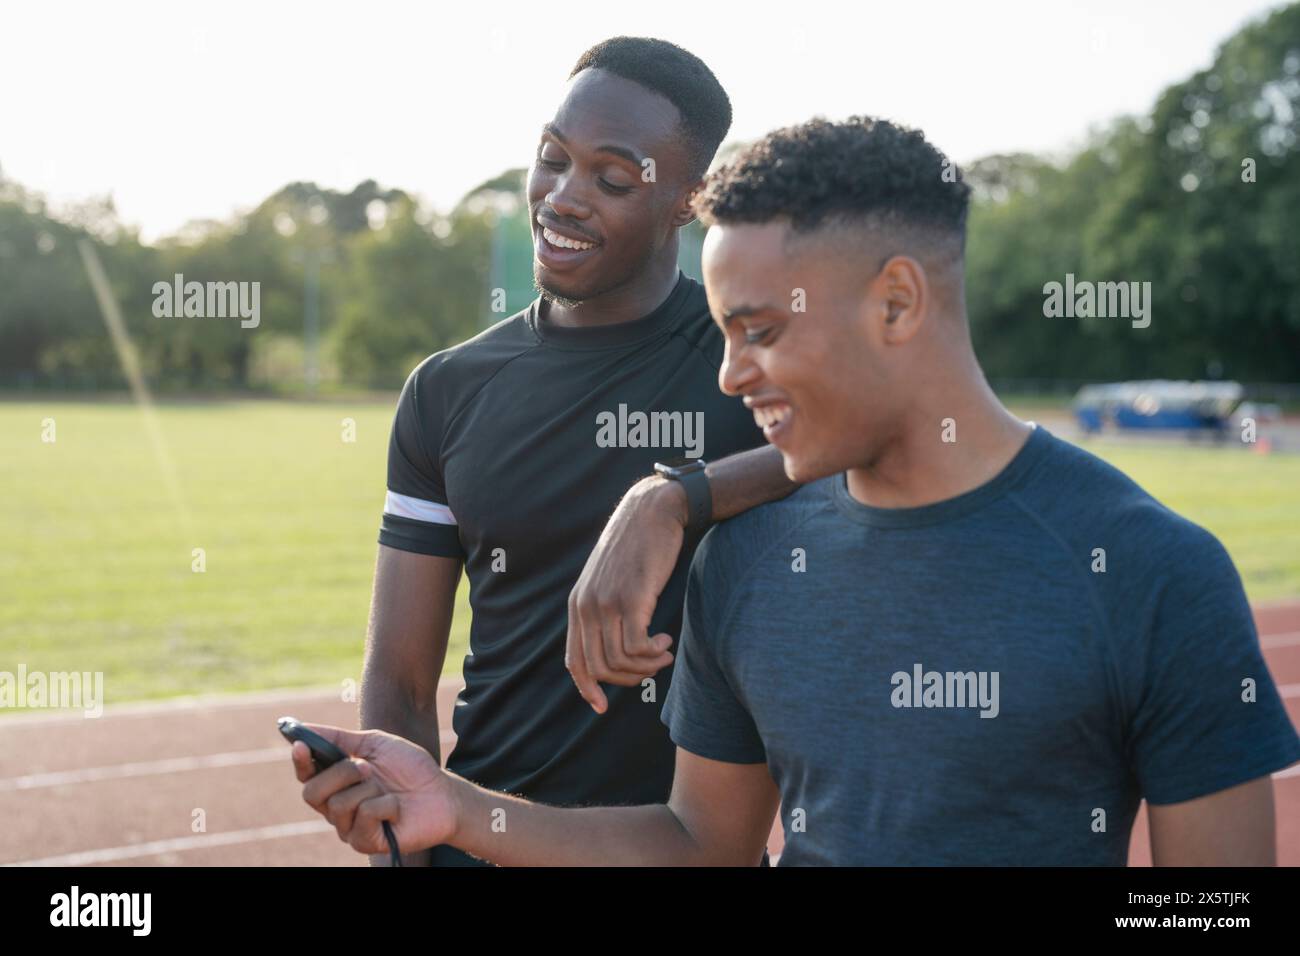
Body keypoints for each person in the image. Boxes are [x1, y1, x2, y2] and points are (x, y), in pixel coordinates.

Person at [305, 116, 1300, 865]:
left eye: (761, 330)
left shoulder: (1156, 569)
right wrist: (455, 807)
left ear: (897, 302)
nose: (731, 375)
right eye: (724, 332)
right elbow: (700, 841)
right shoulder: (745, 555)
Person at [364, 35, 795, 866]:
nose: (562, 196)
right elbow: (402, 683)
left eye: (612, 177)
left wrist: (674, 499)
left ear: (687, 200)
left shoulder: (749, 363)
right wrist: (402, 858)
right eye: (552, 158)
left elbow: (873, 446)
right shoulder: (446, 390)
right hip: (479, 840)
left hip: (675, 850)